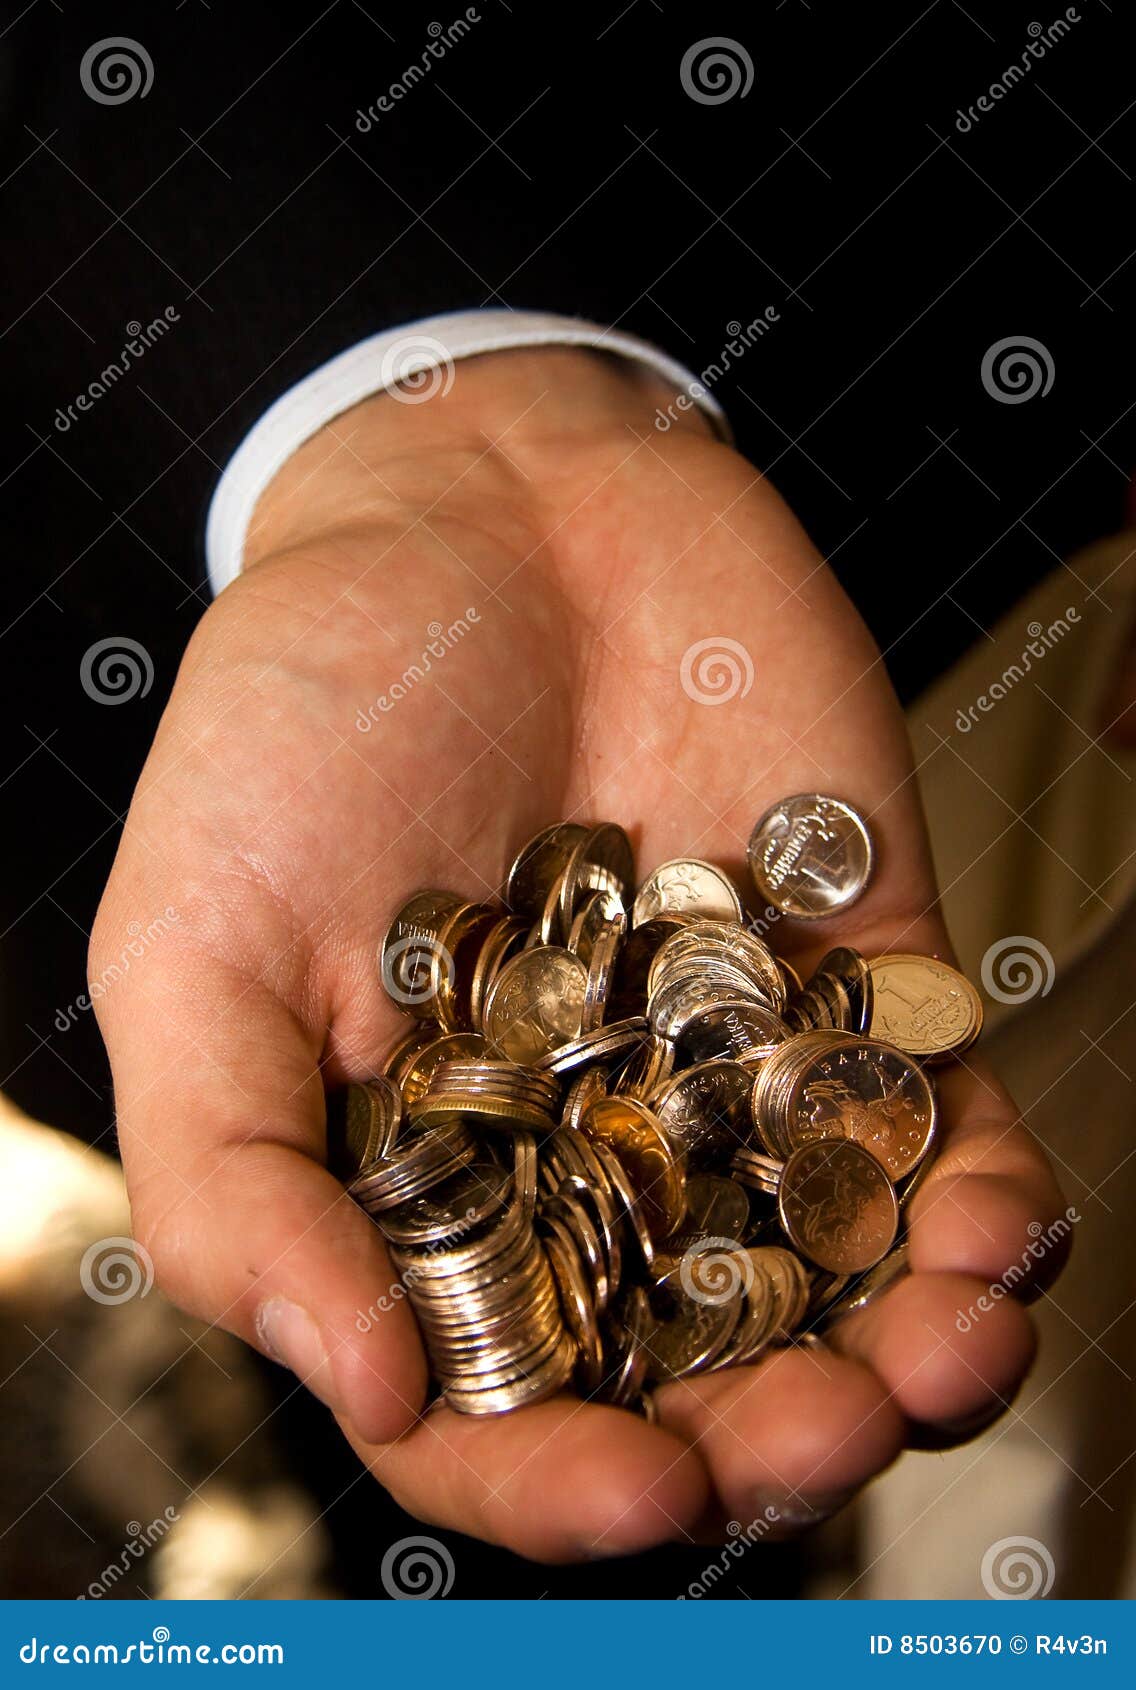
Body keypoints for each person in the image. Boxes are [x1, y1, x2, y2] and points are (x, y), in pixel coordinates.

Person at [92, 329, 1068, 1561]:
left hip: (977, 588)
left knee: (720, 1464)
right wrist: (398, 460)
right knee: (362, 1347)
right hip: (100, 656)